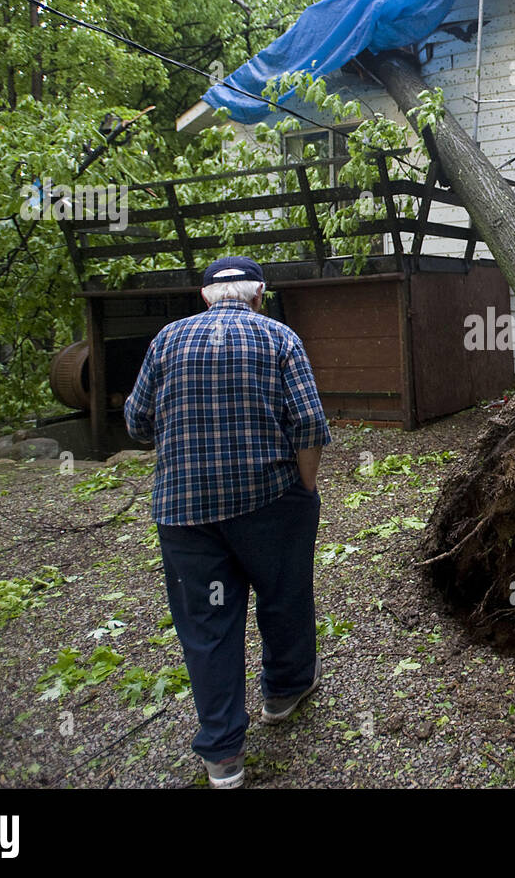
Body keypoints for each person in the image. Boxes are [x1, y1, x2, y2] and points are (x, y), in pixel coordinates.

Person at [124, 255, 331, 790]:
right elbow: (308, 422)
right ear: (260, 294)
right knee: (284, 595)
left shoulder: (166, 340)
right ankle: (284, 693)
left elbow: (137, 421)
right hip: (270, 502)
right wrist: (306, 489)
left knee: (207, 626)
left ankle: (222, 756)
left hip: (185, 512)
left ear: (204, 296)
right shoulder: (280, 338)